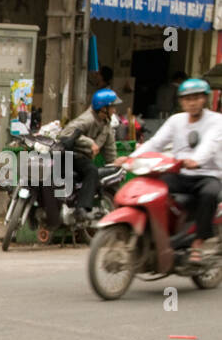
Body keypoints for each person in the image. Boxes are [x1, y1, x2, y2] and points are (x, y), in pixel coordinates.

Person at [117, 77, 222, 262]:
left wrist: (195, 160)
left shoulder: (216, 121)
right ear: (181, 101)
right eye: (188, 98)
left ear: (204, 99)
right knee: (153, 189)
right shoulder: (176, 120)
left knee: (209, 193)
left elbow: (210, 145)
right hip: (180, 173)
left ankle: (199, 241)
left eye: (196, 98)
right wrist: (132, 157)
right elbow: (156, 143)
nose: (192, 102)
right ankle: (159, 235)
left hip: (207, 174)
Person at [56, 88, 120, 224]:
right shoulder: (87, 119)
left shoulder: (106, 125)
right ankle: (82, 208)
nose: (114, 110)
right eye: (112, 107)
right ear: (103, 108)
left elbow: (109, 150)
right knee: (92, 171)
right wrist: (90, 143)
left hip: (82, 159)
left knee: (91, 170)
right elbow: (65, 134)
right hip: (70, 155)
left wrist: (114, 164)